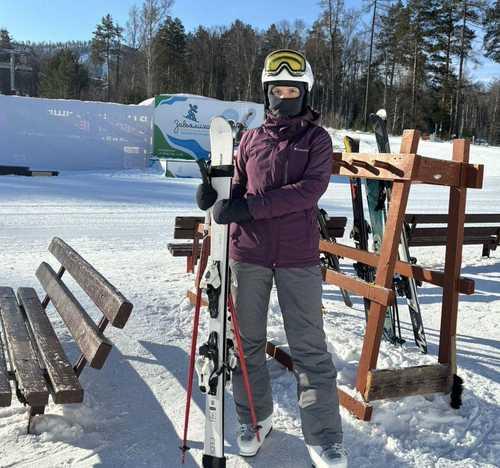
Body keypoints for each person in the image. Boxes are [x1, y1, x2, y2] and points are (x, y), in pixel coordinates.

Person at [196, 49, 347, 468]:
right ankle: (254, 419)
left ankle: (324, 437)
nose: (285, 96)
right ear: (267, 93)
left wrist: (249, 208)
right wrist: (215, 196)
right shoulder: (251, 140)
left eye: (293, 90)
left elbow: (308, 191)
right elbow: (238, 189)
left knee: (310, 348)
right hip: (249, 255)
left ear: (305, 92)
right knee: (247, 344)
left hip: (297, 256)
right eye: (278, 89)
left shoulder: (317, 140)